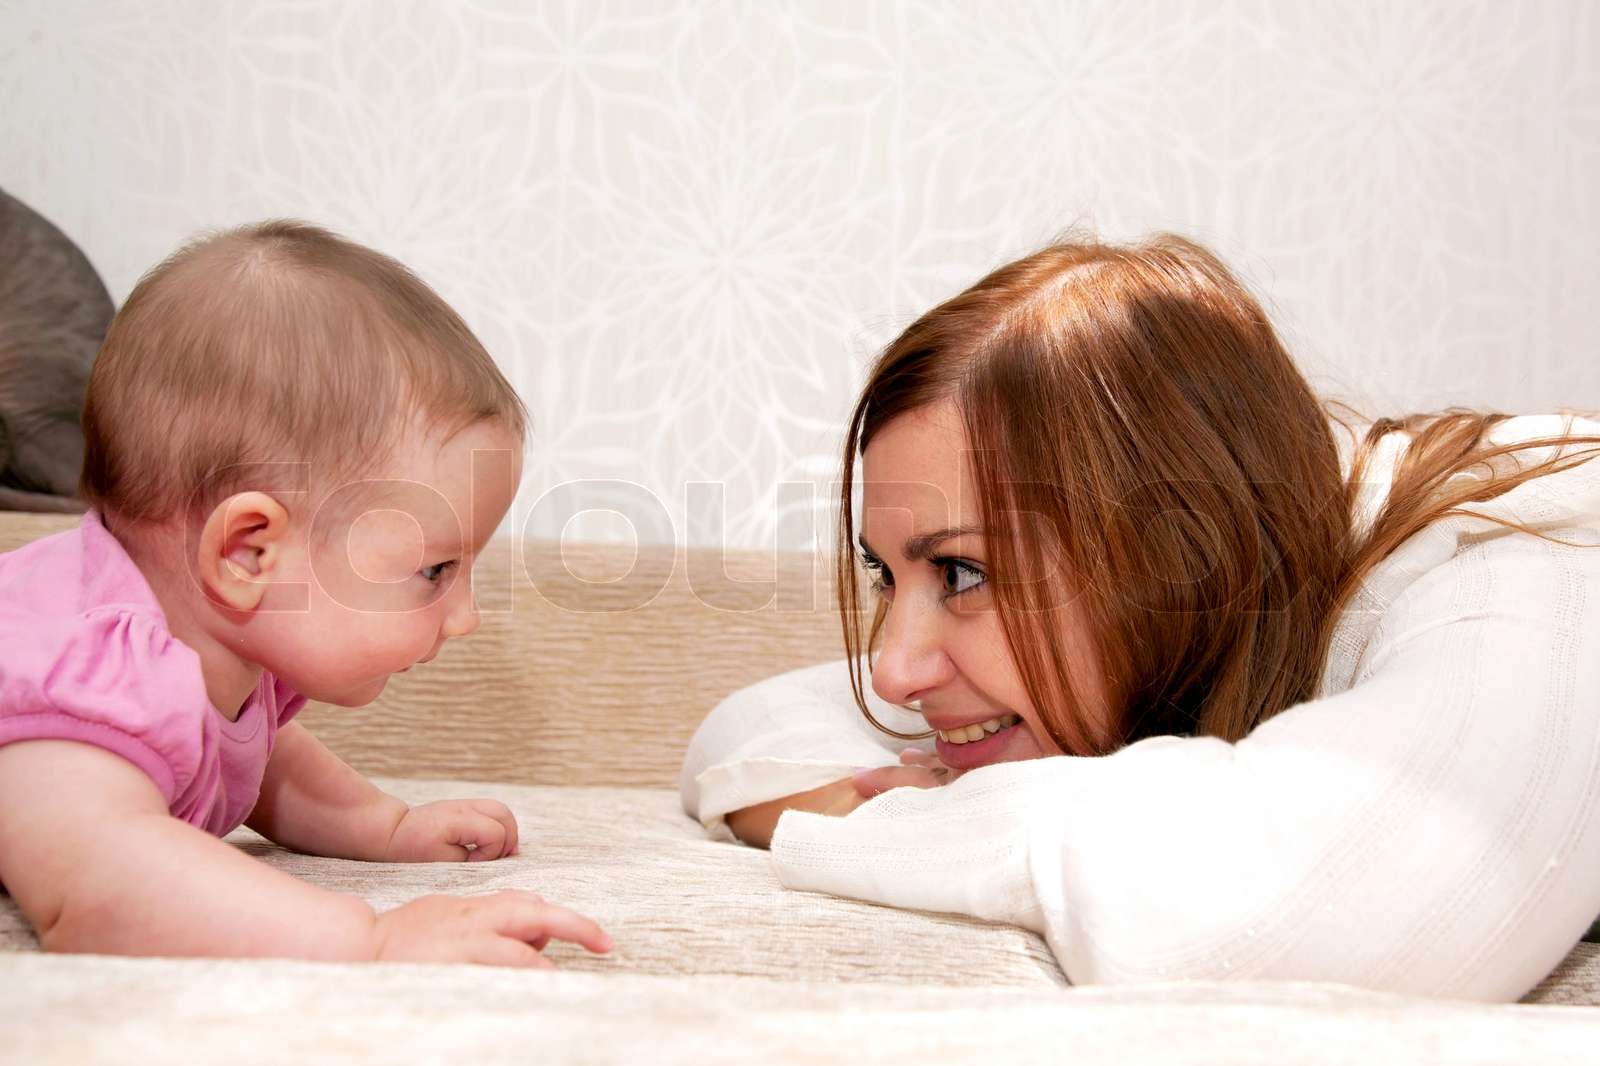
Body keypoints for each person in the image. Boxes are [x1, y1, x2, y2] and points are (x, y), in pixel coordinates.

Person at [681, 233, 1600, 1001]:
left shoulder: (1528, 549)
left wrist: (923, 822)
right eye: (887, 575)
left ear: (1177, 556)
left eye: (961, 572)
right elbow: (751, 732)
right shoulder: (1205, 623)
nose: (893, 672)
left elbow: (1312, 918)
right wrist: (895, 800)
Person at [0, 221, 611, 967]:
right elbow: (98, 886)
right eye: (435, 571)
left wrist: (383, 827)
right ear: (248, 551)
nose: (467, 617)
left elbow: (259, 756)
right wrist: (370, 938)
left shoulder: (212, 655)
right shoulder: (82, 683)